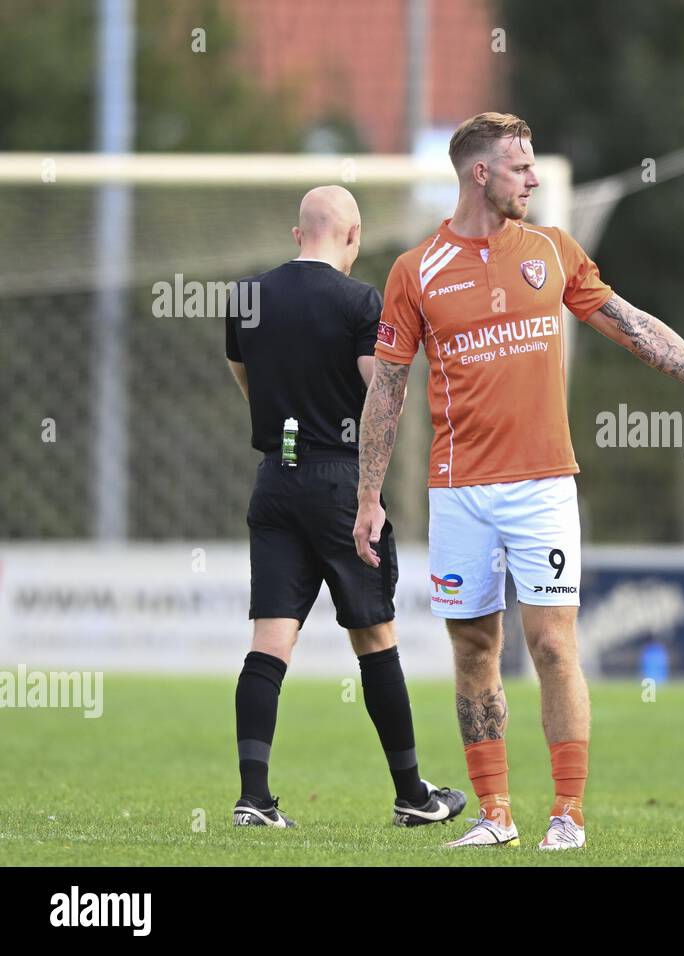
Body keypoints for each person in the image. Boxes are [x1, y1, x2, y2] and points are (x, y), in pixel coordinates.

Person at [353, 112, 684, 850]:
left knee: (553, 646)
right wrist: (367, 498)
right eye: (522, 167)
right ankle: (495, 816)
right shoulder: (414, 271)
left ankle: (568, 816)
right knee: (474, 650)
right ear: (480, 173)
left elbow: (632, 325)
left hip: (544, 485)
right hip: (457, 491)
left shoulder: (550, 250)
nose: (537, 179)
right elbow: (386, 388)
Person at [225, 185, 466, 829]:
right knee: (374, 637)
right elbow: (381, 394)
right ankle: (414, 796)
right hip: (338, 479)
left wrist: (284, 414)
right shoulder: (362, 300)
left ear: (297, 232)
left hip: (274, 478)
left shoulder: (246, 297)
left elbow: (243, 375)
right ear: (353, 236)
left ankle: (254, 798)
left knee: (268, 643)